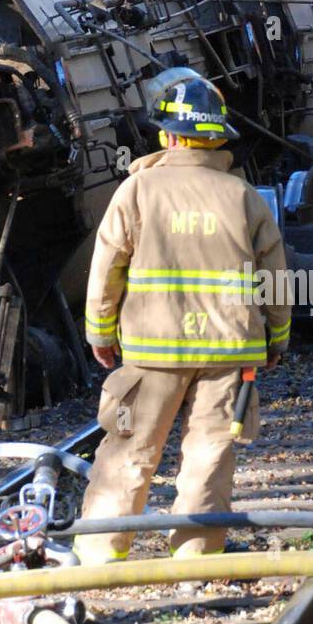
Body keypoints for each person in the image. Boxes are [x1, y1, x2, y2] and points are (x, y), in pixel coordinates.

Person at [75, 68, 292, 566]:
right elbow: (276, 279)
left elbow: (107, 268)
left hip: (153, 352)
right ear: (217, 136)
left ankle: (101, 552)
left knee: (130, 450)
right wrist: (276, 338)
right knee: (210, 456)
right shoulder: (245, 198)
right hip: (228, 353)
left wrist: (100, 333)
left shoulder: (136, 191)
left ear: (167, 135)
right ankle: (196, 556)